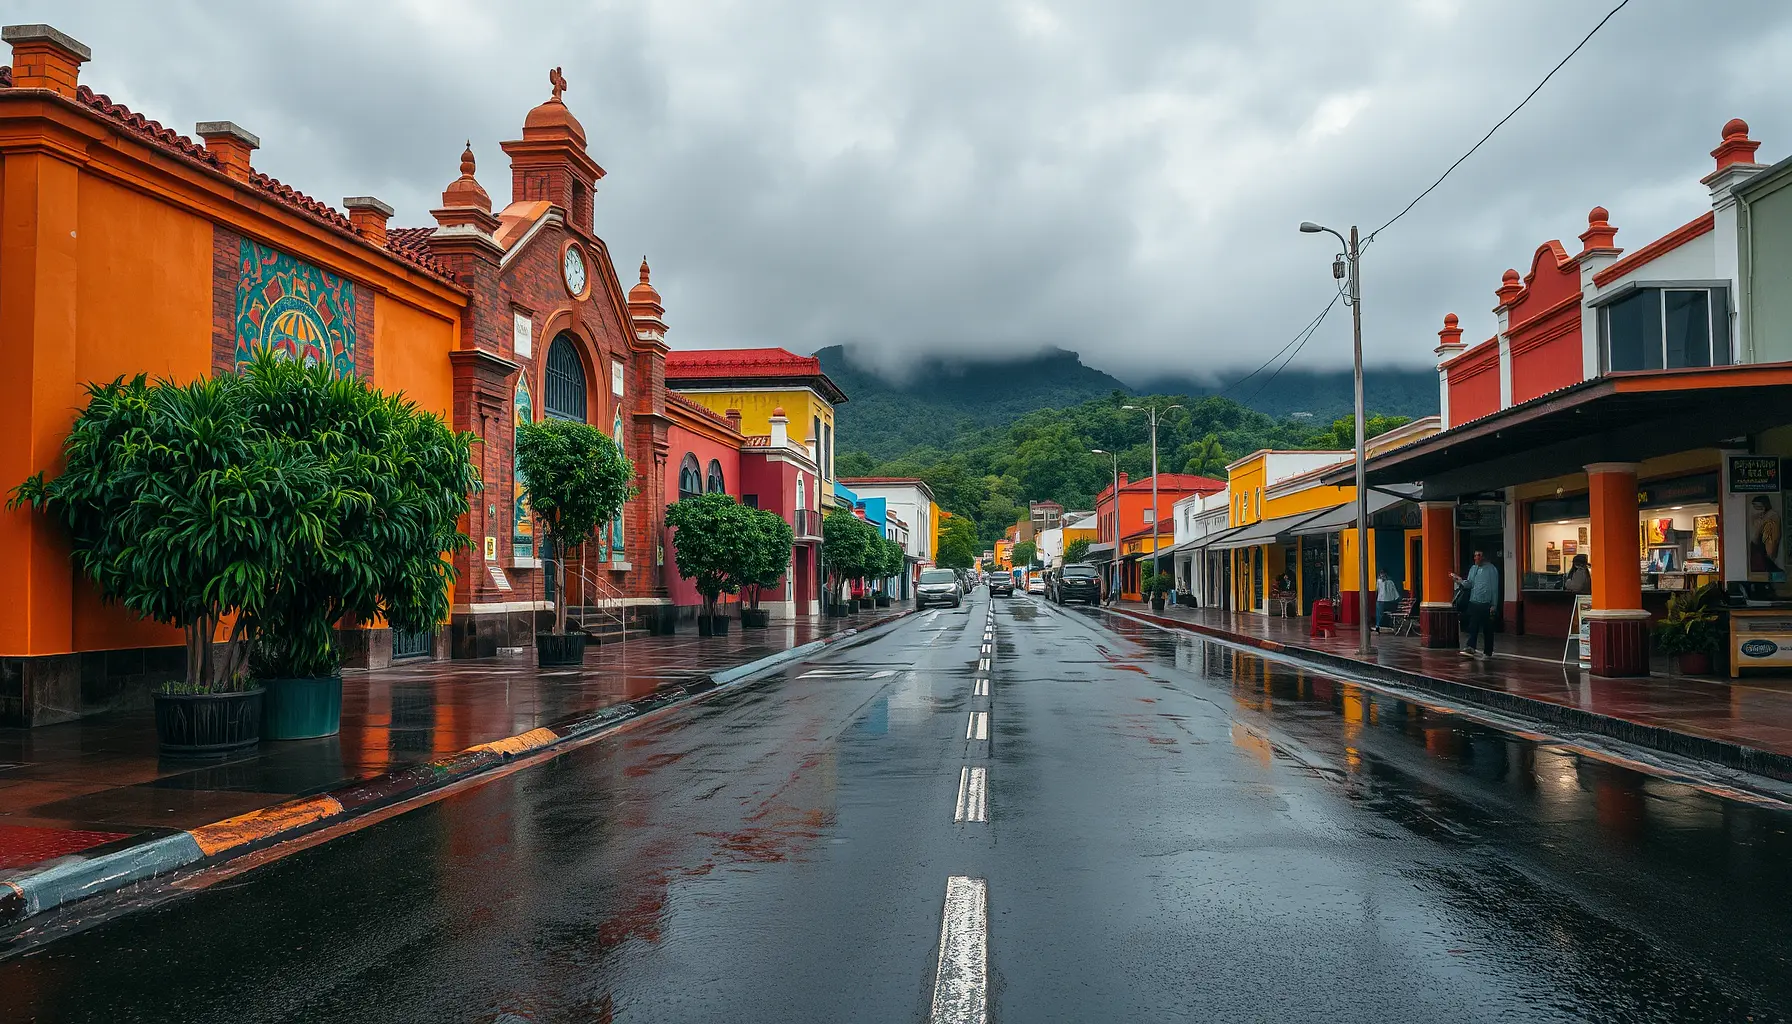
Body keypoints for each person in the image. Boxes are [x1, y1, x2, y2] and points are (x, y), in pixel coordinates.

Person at [1451, 550, 1500, 659]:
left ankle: (1488, 651)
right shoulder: (1473, 569)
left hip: (1487, 603)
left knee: (1488, 629)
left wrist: (1494, 605)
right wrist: (1459, 580)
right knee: (1473, 626)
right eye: (1475, 556)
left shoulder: (1492, 570)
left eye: (1479, 556)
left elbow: (1494, 588)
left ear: (1484, 557)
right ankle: (1470, 646)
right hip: (1474, 601)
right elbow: (1469, 584)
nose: (1476, 558)